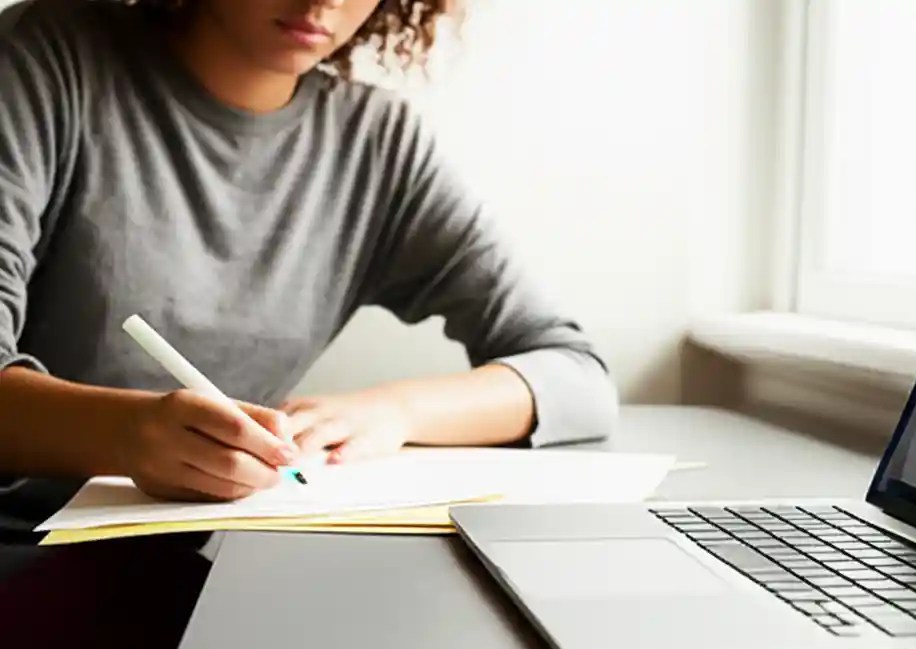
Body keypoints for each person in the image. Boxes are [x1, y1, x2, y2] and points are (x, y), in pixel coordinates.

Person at [0, 0, 618, 503]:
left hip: (219, 551)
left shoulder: (375, 145)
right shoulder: (47, 57)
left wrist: (394, 412)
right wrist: (126, 437)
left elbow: (576, 377)